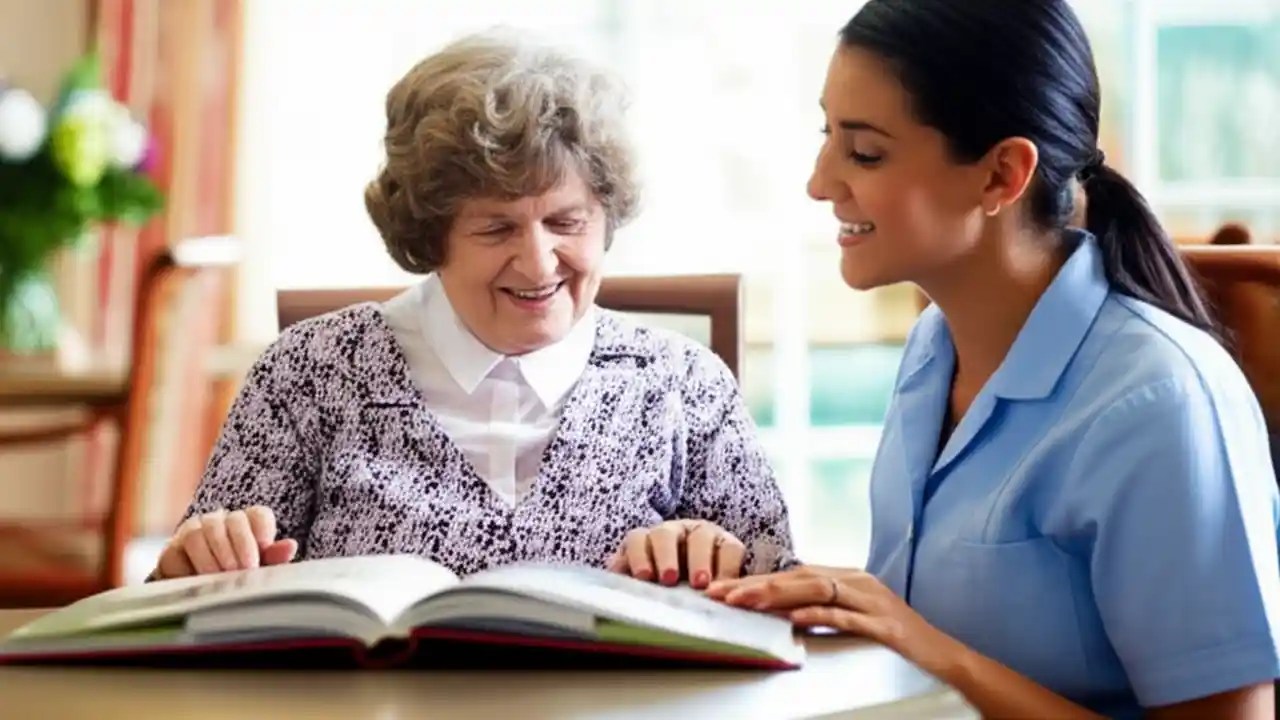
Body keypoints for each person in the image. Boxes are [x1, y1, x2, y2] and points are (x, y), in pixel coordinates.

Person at [707, 2, 1280, 717]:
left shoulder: (1160, 404)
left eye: (864, 152)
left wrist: (924, 647)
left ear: (1001, 175)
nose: (820, 183)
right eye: (829, 135)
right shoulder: (932, 350)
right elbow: (924, 631)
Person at [148, 30, 795, 588]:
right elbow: (183, 601)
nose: (540, 263)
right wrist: (198, 560)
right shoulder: (311, 371)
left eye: (567, 222)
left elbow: (778, 590)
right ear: (431, 235)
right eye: (497, 230)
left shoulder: (684, 384)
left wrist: (714, 558)